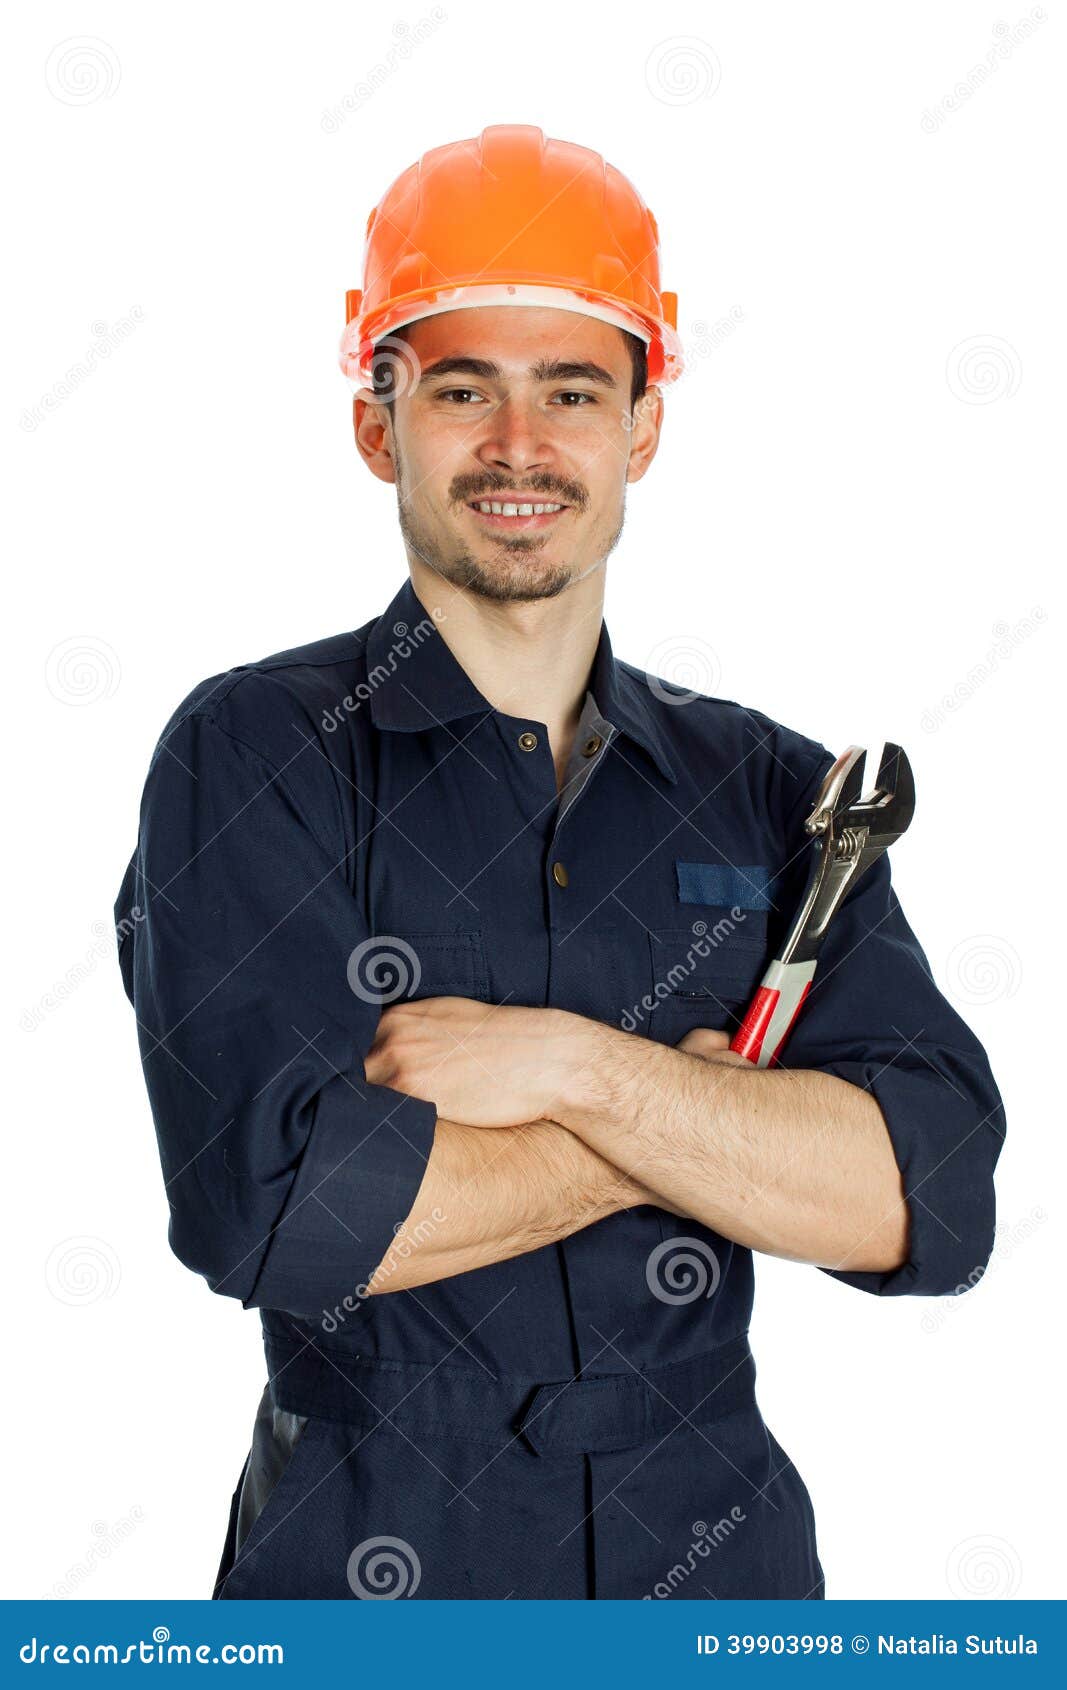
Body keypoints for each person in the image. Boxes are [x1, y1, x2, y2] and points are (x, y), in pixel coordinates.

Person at [113, 125, 1005, 1601]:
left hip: (717, 1574)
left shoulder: (776, 791)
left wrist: (574, 1067)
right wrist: (706, 1122)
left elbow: (931, 1195)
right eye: (464, 388)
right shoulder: (256, 751)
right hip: (368, 1571)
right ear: (375, 421)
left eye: (573, 392)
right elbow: (278, 1211)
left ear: (642, 430)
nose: (521, 446)